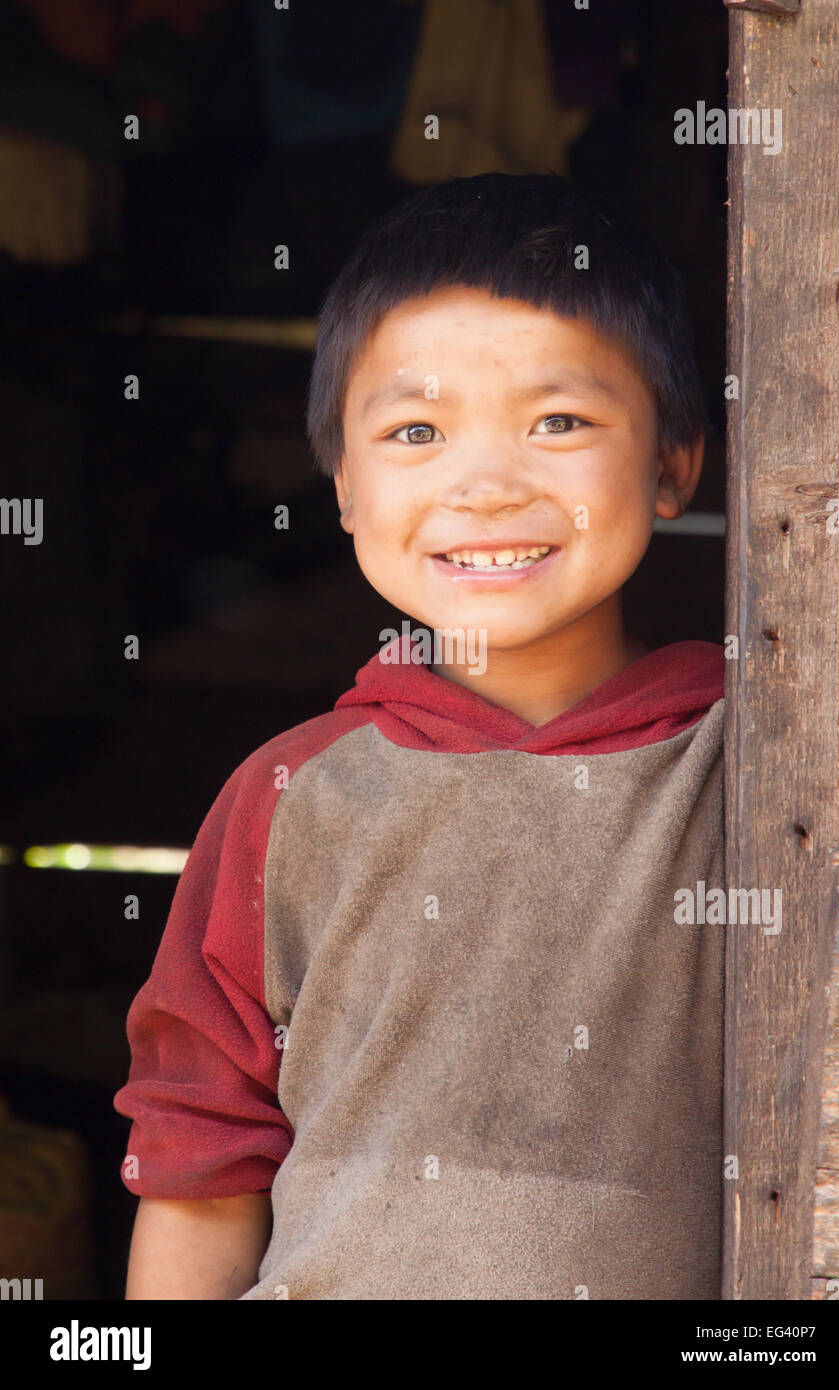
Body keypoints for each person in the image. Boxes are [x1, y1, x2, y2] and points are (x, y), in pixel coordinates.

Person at [115, 172, 726, 1300]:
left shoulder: (755, 771)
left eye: (557, 421)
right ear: (343, 487)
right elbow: (199, 1158)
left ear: (672, 462)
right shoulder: (294, 793)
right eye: (415, 429)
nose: (484, 483)